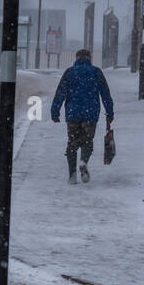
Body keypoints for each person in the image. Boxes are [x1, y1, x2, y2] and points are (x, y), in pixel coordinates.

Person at [50, 48, 113, 184]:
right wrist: (110, 112)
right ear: (89, 58)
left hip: (72, 114)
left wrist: (55, 112)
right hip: (90, 114)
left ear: (76, 58)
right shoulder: (96, 72)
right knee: (87, 141)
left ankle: (72, 175)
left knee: (72, 143)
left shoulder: (70, 72)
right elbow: (105, 94)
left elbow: (60, 93)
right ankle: (83, 161)